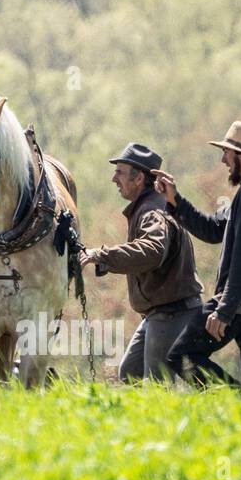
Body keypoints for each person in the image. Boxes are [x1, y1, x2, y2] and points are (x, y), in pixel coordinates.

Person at [153, 121, 241, 392]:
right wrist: (175, 200)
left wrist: (224, 310)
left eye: (228, 152)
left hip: (240, 304)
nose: (223, 159)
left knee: (182, 356)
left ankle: (234, 403)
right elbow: (214, 229)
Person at [79, 143, 202, 382]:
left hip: (171, 313)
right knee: (131, 373)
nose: (114, 178)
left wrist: (100, 255)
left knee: (158, 386)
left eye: (120, 172)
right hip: (161, 312)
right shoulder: (150, 207)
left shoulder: (152, 212)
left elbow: (152, 250)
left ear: (139, 179)